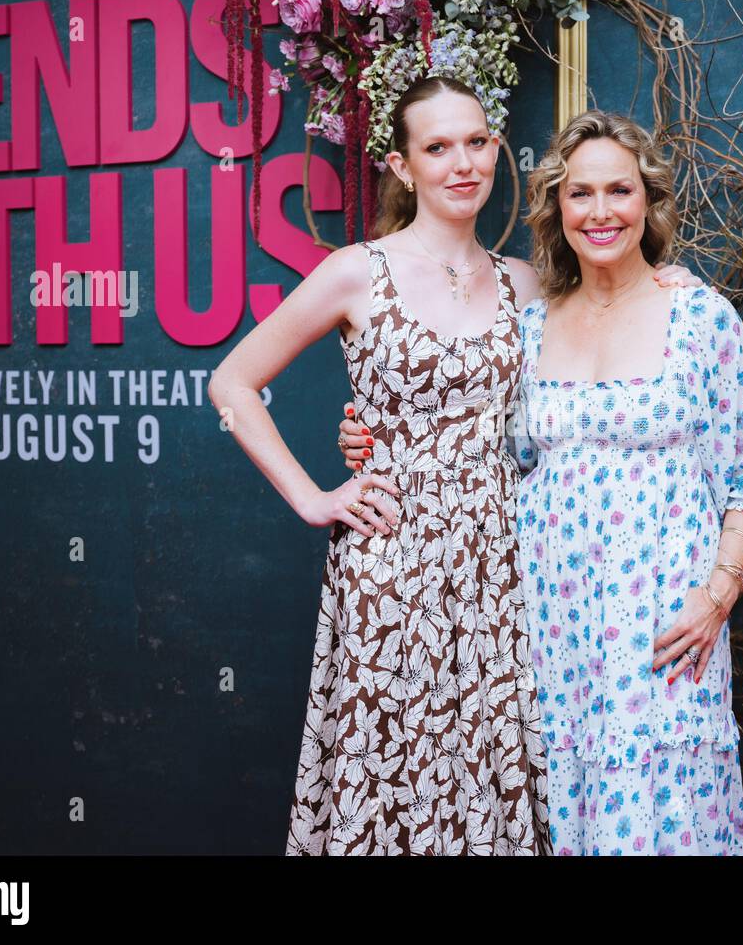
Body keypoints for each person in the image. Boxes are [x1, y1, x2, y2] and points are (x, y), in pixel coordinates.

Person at [209, 77, 695, 855]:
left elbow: (603, 330)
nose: (462, 162)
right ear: (403, 167)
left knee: (489, 780)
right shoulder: (355, 272)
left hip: (503, 568)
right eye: (437, 147)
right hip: (390, 568)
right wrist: (312, 495)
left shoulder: (529, 284)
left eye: (477, 142)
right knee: (391, 784)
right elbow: (232, 381)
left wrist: (662, 284)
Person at [339, 109, 743, 855]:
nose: (601, 211)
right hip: (546, 624)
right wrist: (367, 436)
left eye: (619, 190)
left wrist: (718, 593)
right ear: (558, 208)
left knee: (663, 817)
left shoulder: (701, 317)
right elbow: (475, 444)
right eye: (580, 194)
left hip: (662, 623)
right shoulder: (531, 324)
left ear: (647, 202)